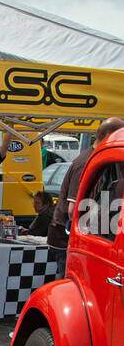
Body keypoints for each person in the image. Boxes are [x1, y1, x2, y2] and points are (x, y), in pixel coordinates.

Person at [46, 117, 124, 276]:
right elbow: (73, 209)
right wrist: (92, 237)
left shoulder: (100, 159)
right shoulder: (86, 161)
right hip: (66, 239)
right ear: (109, 135)